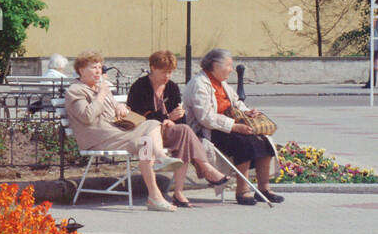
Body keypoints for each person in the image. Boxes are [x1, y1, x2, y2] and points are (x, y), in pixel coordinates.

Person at [64, 51, 183, 212]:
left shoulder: (100, 88)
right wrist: (101, 95)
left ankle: (156, 187)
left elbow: (115, 106)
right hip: (97, 136)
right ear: (81, 70)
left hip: (113, 131)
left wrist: (119, 106)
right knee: (146, 140)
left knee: (152, 127)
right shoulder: (76, 90)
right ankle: (156, 188)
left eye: (100, 67)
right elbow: (87, 117)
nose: (99, 71)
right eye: (93, 67)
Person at [126, 50, 228, 207]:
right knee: (185, 133)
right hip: (145, 134)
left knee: (184, 133)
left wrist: (173, 120)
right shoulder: (140, 87)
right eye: (163, 72)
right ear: (152, 68)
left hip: (167, 133)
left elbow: (180, 117)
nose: (167, 76)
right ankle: (203, 170)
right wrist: (166, 119)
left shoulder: (171, 87)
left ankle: (180, 192)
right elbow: (140, 117)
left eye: (170, 72)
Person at [183, 48, 284, 206]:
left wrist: (247, 111)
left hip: (228, 125)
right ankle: (242, 191)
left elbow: (236, 103)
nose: (231, 69)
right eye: (229, 65)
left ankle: (263, 189)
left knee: (263, 140)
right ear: (215, 65)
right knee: (243, 143)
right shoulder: (198, 84)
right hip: (209, 130)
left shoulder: (221, 82)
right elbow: (205, 118)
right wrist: (235, 127)